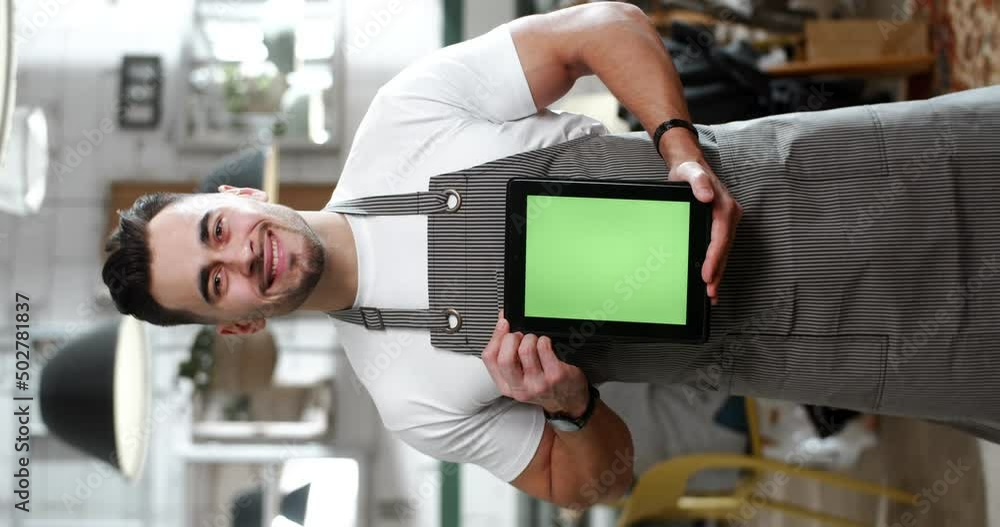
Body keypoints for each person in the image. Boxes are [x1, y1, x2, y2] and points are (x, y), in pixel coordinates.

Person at [101, 3, 1000, 509]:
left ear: (239, 197)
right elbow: (602, 482)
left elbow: (602, 28)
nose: (242, 259)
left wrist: (680, 149)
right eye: (214, 286)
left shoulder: (402, 115)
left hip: (817, 173)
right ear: (241, 320)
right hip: (840, 346)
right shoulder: (406, 398)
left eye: (215, 233)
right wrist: (569, 404)